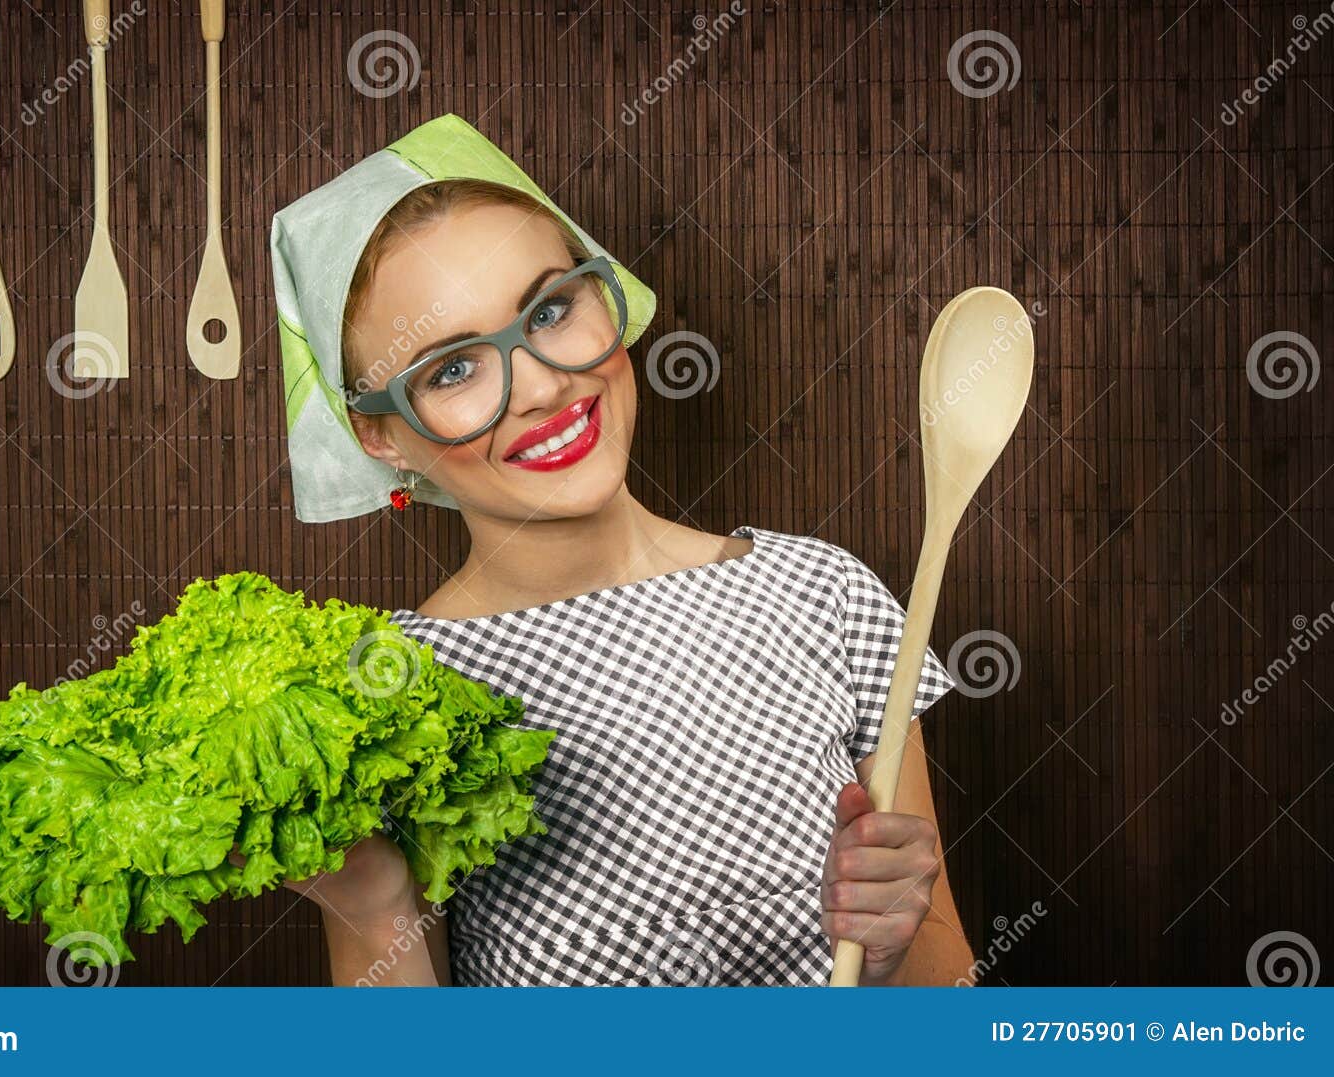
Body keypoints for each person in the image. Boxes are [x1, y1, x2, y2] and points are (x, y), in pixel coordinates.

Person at [267, 113, 975, 986]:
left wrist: (896, 952)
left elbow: (947, 1007)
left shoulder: (823, 594)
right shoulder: (386, 692)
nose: (543, 386)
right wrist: (373, 907)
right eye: (452, 368)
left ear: (603, 295)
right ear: (381, 438)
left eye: (551, 309)